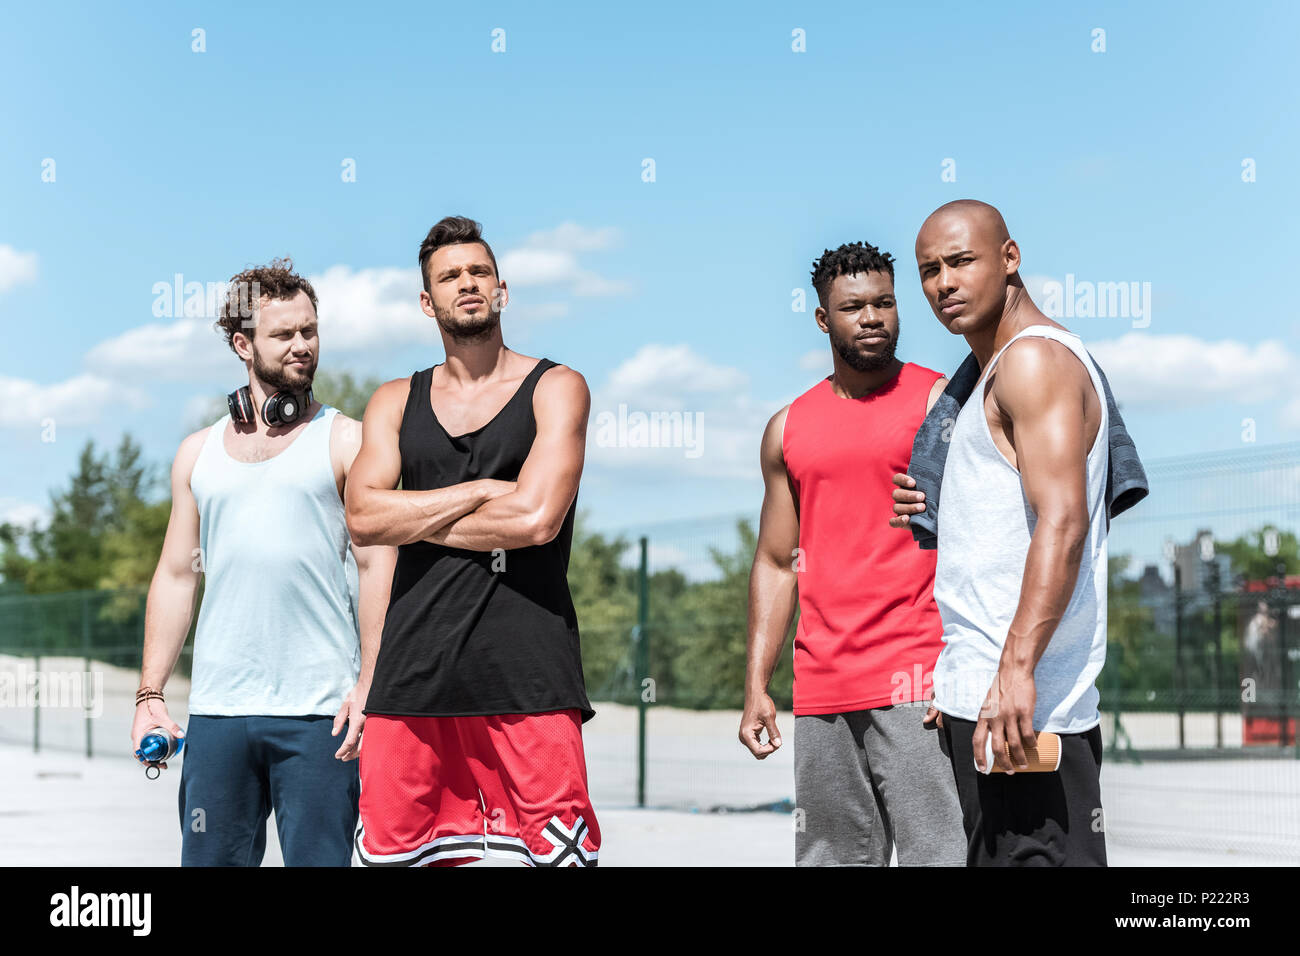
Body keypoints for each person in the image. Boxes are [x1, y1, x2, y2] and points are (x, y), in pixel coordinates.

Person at [346, 215, 599, 867]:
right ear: (426, 301)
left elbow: (535, 521)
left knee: (557, 857)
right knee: (395, 857)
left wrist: (410, 515)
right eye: (450, 276)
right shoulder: (394, 401)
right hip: (410, 678)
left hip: (530, 676)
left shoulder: (557, 387)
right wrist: (484, 490)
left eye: (479, 272)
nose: (467, 283)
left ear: (502, 290)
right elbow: (363, 518)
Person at [132, 257, 396, 866]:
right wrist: (150, 693)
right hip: (218, 713)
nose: (302, 345)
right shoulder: (196, 453)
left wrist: (369, 685)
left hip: (321, 715)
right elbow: (176, 576)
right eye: (284, 334)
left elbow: (378, 567)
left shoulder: (347, 440)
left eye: (310, 330)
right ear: (243, 345)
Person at [894, 199, 1111, 866]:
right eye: (929, 270)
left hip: (1024, 708)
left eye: (961, 262)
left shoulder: (1033, 361)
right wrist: (963, 673)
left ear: (1010, 258)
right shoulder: (986, 379)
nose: (944, 284)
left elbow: (1063, 522)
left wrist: (1014, 671)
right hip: (985, 696)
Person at [741, 240, 966, 866]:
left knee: (940, 858)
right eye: (853, 307)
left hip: (918, 677)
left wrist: (968, 667)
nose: (872, 318)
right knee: (829, 860)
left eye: (884, 304)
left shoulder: (939, 402)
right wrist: (757, 684)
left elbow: (991, 533)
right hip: (822, 685)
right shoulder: (788, 427)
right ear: (823, 319)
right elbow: (776, 562)